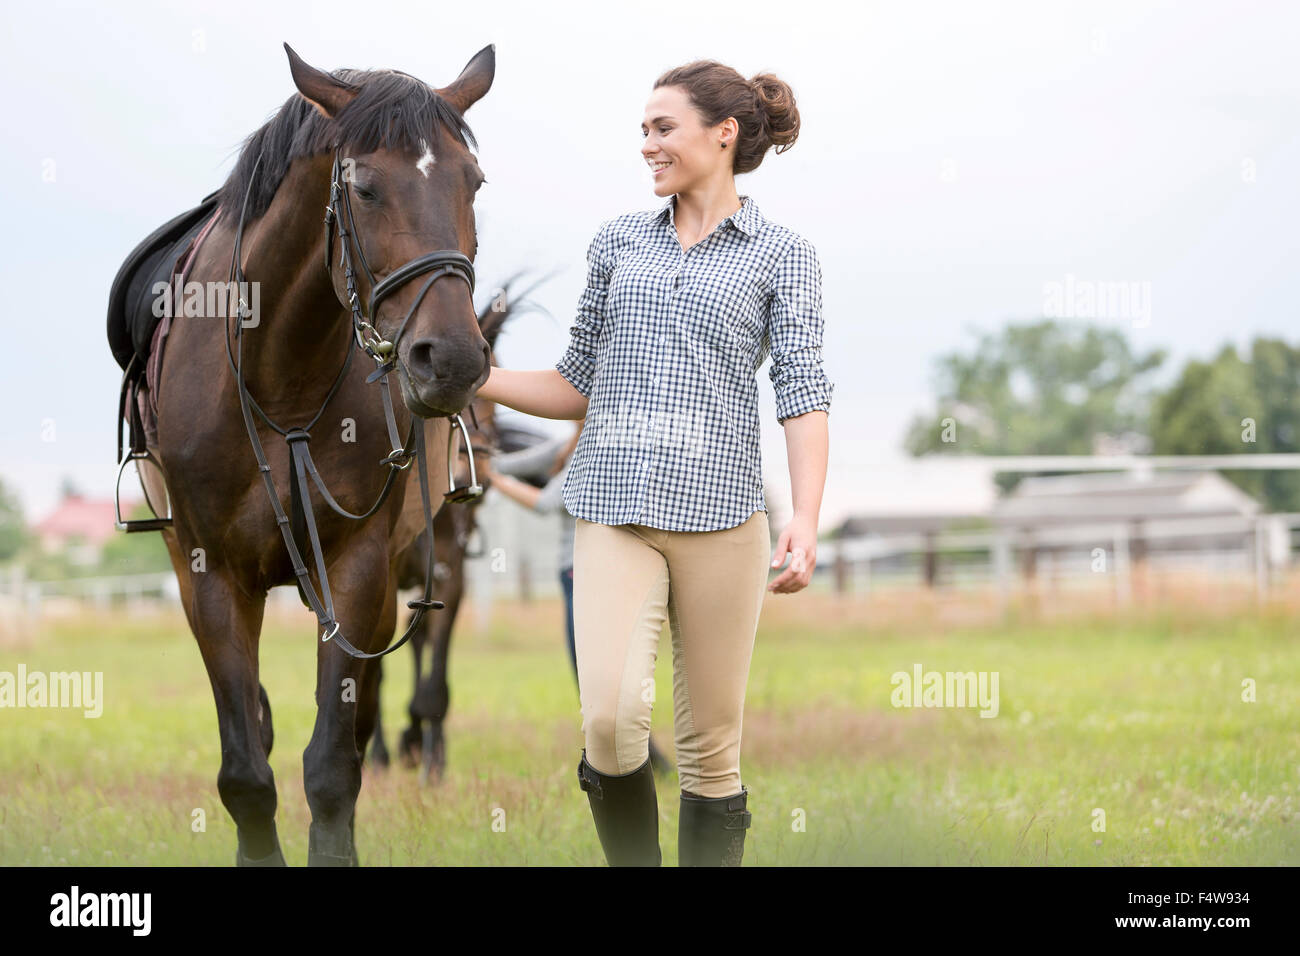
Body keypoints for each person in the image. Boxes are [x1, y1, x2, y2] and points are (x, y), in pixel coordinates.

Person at [476, 59, 833, 867]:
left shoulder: (783, 256)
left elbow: (804, 391)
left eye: (662, 127)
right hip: (614, 511)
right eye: (643, 130)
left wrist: (804, 518)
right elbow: (575, 382)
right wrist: (475, 374)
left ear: (724, 134)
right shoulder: (618, 243)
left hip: (723, 521)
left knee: (711, 750)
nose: (647, 145)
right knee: (607, 720)